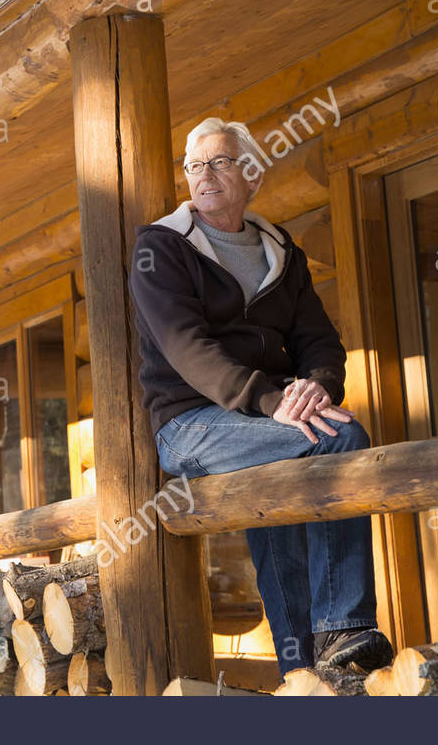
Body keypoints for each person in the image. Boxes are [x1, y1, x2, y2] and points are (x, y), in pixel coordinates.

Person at [128, 117, 394, 679]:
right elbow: (187, 348)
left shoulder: (282, 251)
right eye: (195, 166)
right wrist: (273, 400)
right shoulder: (161, 248)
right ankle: (344, 628)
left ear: (251, 174)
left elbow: (317, 339)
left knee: (280, 497)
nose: (205, 175)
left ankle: (305, 674)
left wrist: (315, 386)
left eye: (220, 162)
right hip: (192, 425)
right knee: (339, 435)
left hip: (264, 424)